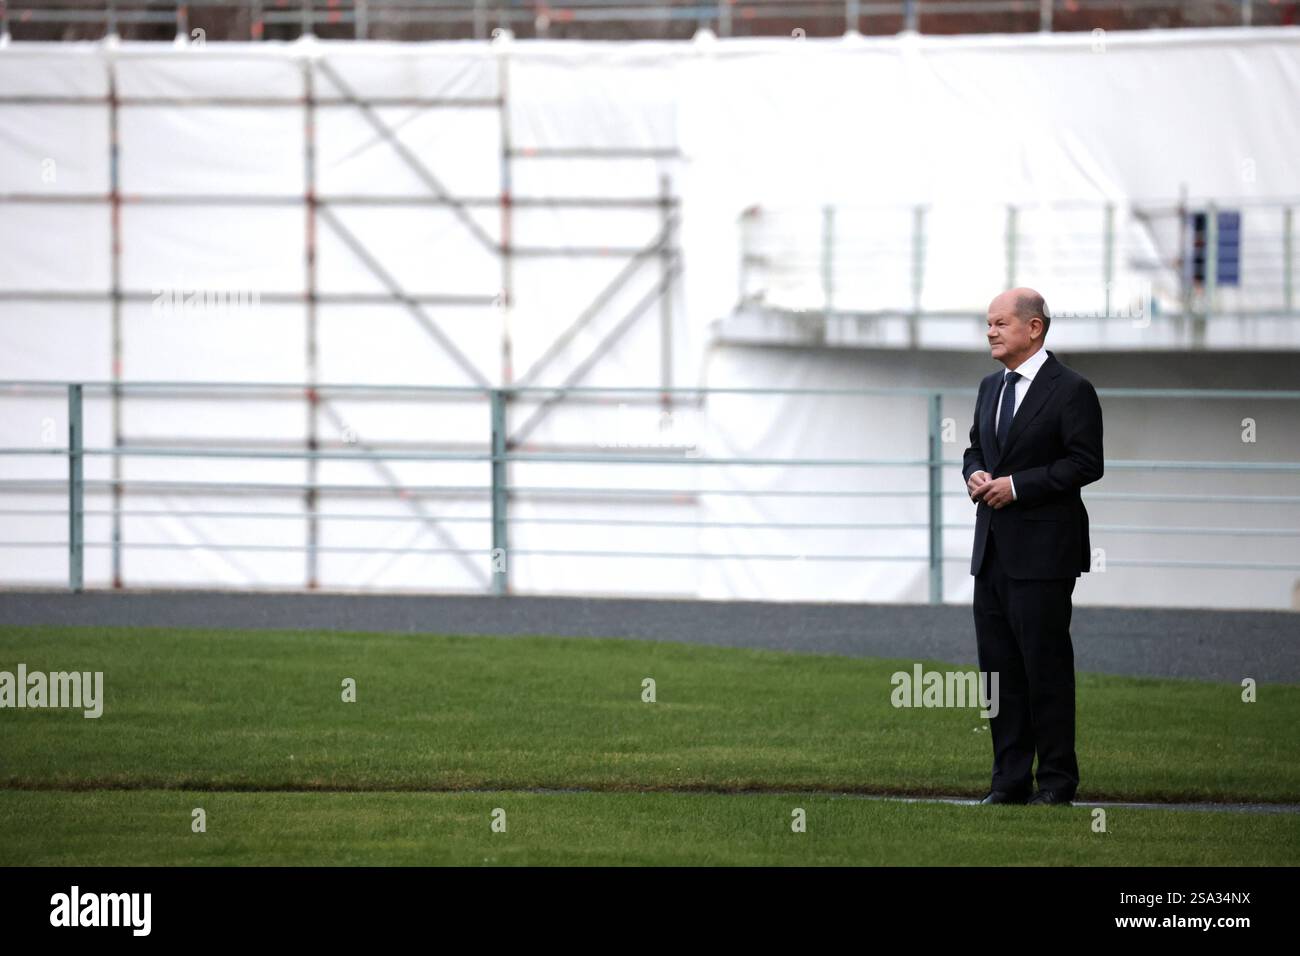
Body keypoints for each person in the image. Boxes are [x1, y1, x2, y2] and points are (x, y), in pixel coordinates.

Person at [962, 288, 1104, 806]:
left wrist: (1017, 486)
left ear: (1034, 328)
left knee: (1045, 669)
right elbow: (976, 445)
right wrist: (975, 472)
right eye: (988, 324)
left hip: (1045, 555)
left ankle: (1058, 783)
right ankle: (1009, 781)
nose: (990, 332)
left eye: (1000, 323)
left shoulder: (1071, 390)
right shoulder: (988, 387)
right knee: (999, 672)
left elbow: (1086, 463)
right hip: (992, 551)